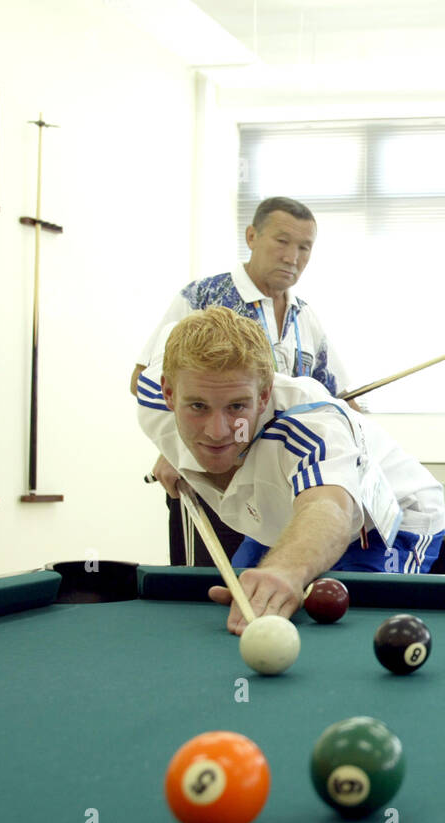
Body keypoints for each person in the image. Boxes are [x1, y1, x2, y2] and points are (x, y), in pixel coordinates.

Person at [136, 306, 444, 634]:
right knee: (246, 603)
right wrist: (173, 449)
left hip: (387, 523)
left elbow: (327, 507)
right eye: (198, 406)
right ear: (169, 394)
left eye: (237, 407)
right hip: (281, 513)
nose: (217, 431)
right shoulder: (153, 401)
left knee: (346, 621)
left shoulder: (309, 423)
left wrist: (287, 572)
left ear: (265, 393)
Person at [129, 196, 353, 565]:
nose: (291, 256)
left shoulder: (306, 317)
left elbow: (338, 398)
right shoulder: (202, 296)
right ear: (251, 236)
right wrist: (175, 449)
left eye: (304, 247)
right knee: (206, 595)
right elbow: (146, 381)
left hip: (284, 488)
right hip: (212, 482)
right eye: (282, 241)